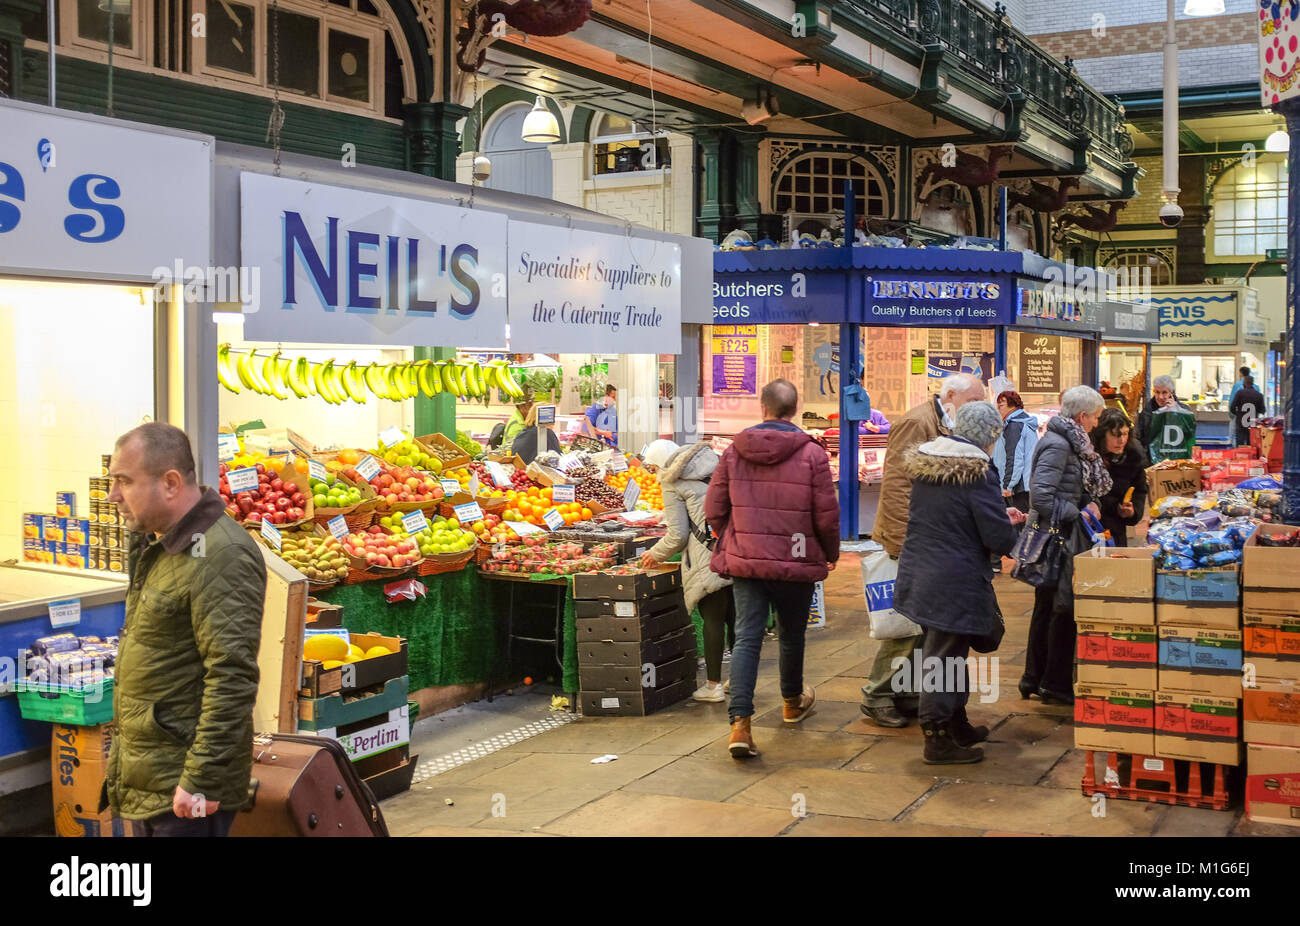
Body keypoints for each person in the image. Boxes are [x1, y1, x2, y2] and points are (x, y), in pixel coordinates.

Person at [104, 423, 266, 836]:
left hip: (184, 786)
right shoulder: (156, 543)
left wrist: (201, 780)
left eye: (124, 481)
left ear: (171, 483)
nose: (113, 496)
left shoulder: (221, 554)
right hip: (151, 776)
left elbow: (232, 676)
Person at [705, 379, 840, 758]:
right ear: (793, 411)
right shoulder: (812, 455)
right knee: (791, 634)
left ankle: (740, 726)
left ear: (762, 408)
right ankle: (791, 702)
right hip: (795, 560)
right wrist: (829, 552)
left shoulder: (734, 451)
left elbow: (714, 508)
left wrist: (735, 536)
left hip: (747, 561)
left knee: (747, 637)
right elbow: (826, 515)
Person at [893, 402, 1020, 764]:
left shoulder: (931, 463)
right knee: (942, 657)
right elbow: (995, 535)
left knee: (948, 654)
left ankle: (955, 723)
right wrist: (1008, 526)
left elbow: (953, 516)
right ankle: (936, 738)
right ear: (991, 437)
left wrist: (996, 513)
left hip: (923, 571)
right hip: (952, 578)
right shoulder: (977, 471)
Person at [861, 372, 987, 728]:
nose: (975, 409)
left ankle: (904, 691)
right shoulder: (917, 422)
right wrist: (905, 542)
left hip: (928, 542)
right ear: (948, 395)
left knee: (923, 624)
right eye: (972, 402)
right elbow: (899, 486)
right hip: (911, 540)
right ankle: (878, 694)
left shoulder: (943, 421)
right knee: (904, 623)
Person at [1020, 385, 1112, 705]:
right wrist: (1081, 511)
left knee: (1047, 608)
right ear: (1082, 416)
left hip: (1060, 535)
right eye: (1096, 418)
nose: (1097, 424)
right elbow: (1041, 496)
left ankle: (1035, 678)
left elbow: (1066, 486)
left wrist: (1085, 501)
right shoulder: (1059, 444)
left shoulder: (1070, 442)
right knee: (1061, 609)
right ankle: (1053, 683)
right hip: (1055, 539)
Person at [639, 439, 735, 702]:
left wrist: (653, 554)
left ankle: (713, 686)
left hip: (708, 556)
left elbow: (678, 536)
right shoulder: (714, 467)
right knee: (736, 618)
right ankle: (738, 679)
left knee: (713, 619)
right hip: (736, 550)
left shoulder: (672, 482)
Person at [1090, 408, 1147, 547]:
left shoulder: (1133, 457)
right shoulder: (1089, 457)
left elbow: (1139, 490)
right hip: (1090, 528)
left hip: (1116, 531)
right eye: (1115, 435)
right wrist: (1114, 506)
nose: (1121, 440)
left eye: (1125, 434)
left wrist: (1132, 512)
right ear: (1102, 435)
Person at [991, 390, 1039, 523]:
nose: (998, 410)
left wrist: (1007, 486)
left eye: (1001, 406)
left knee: (1018, 525)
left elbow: (1014, 458)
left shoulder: (1014, 426)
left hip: (1019, 487)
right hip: (1025, 484)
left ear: (1013, 406)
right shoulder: (1023, 423)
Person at [1136, 375, 1194, 463]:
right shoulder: (1147, 412)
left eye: (1164, 392)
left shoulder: (1184, 411)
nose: (1160, 397)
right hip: (1152, 463)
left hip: (1177, 462)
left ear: (1171, 393)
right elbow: (1138, 438)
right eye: (1157, 392)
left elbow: (1189, 435)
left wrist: (1175, 413)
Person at [1229, 374, 1266, 448]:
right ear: (1252, 383)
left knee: (1240, 444)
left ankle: (1240, 457)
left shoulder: (1240, 393)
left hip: (1240, 423)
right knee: (1251, 445)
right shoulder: (1259, 395)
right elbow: (1263, 410)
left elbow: (1232, 407)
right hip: (1252, 424)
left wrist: (1237, 414)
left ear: (1244, 383)